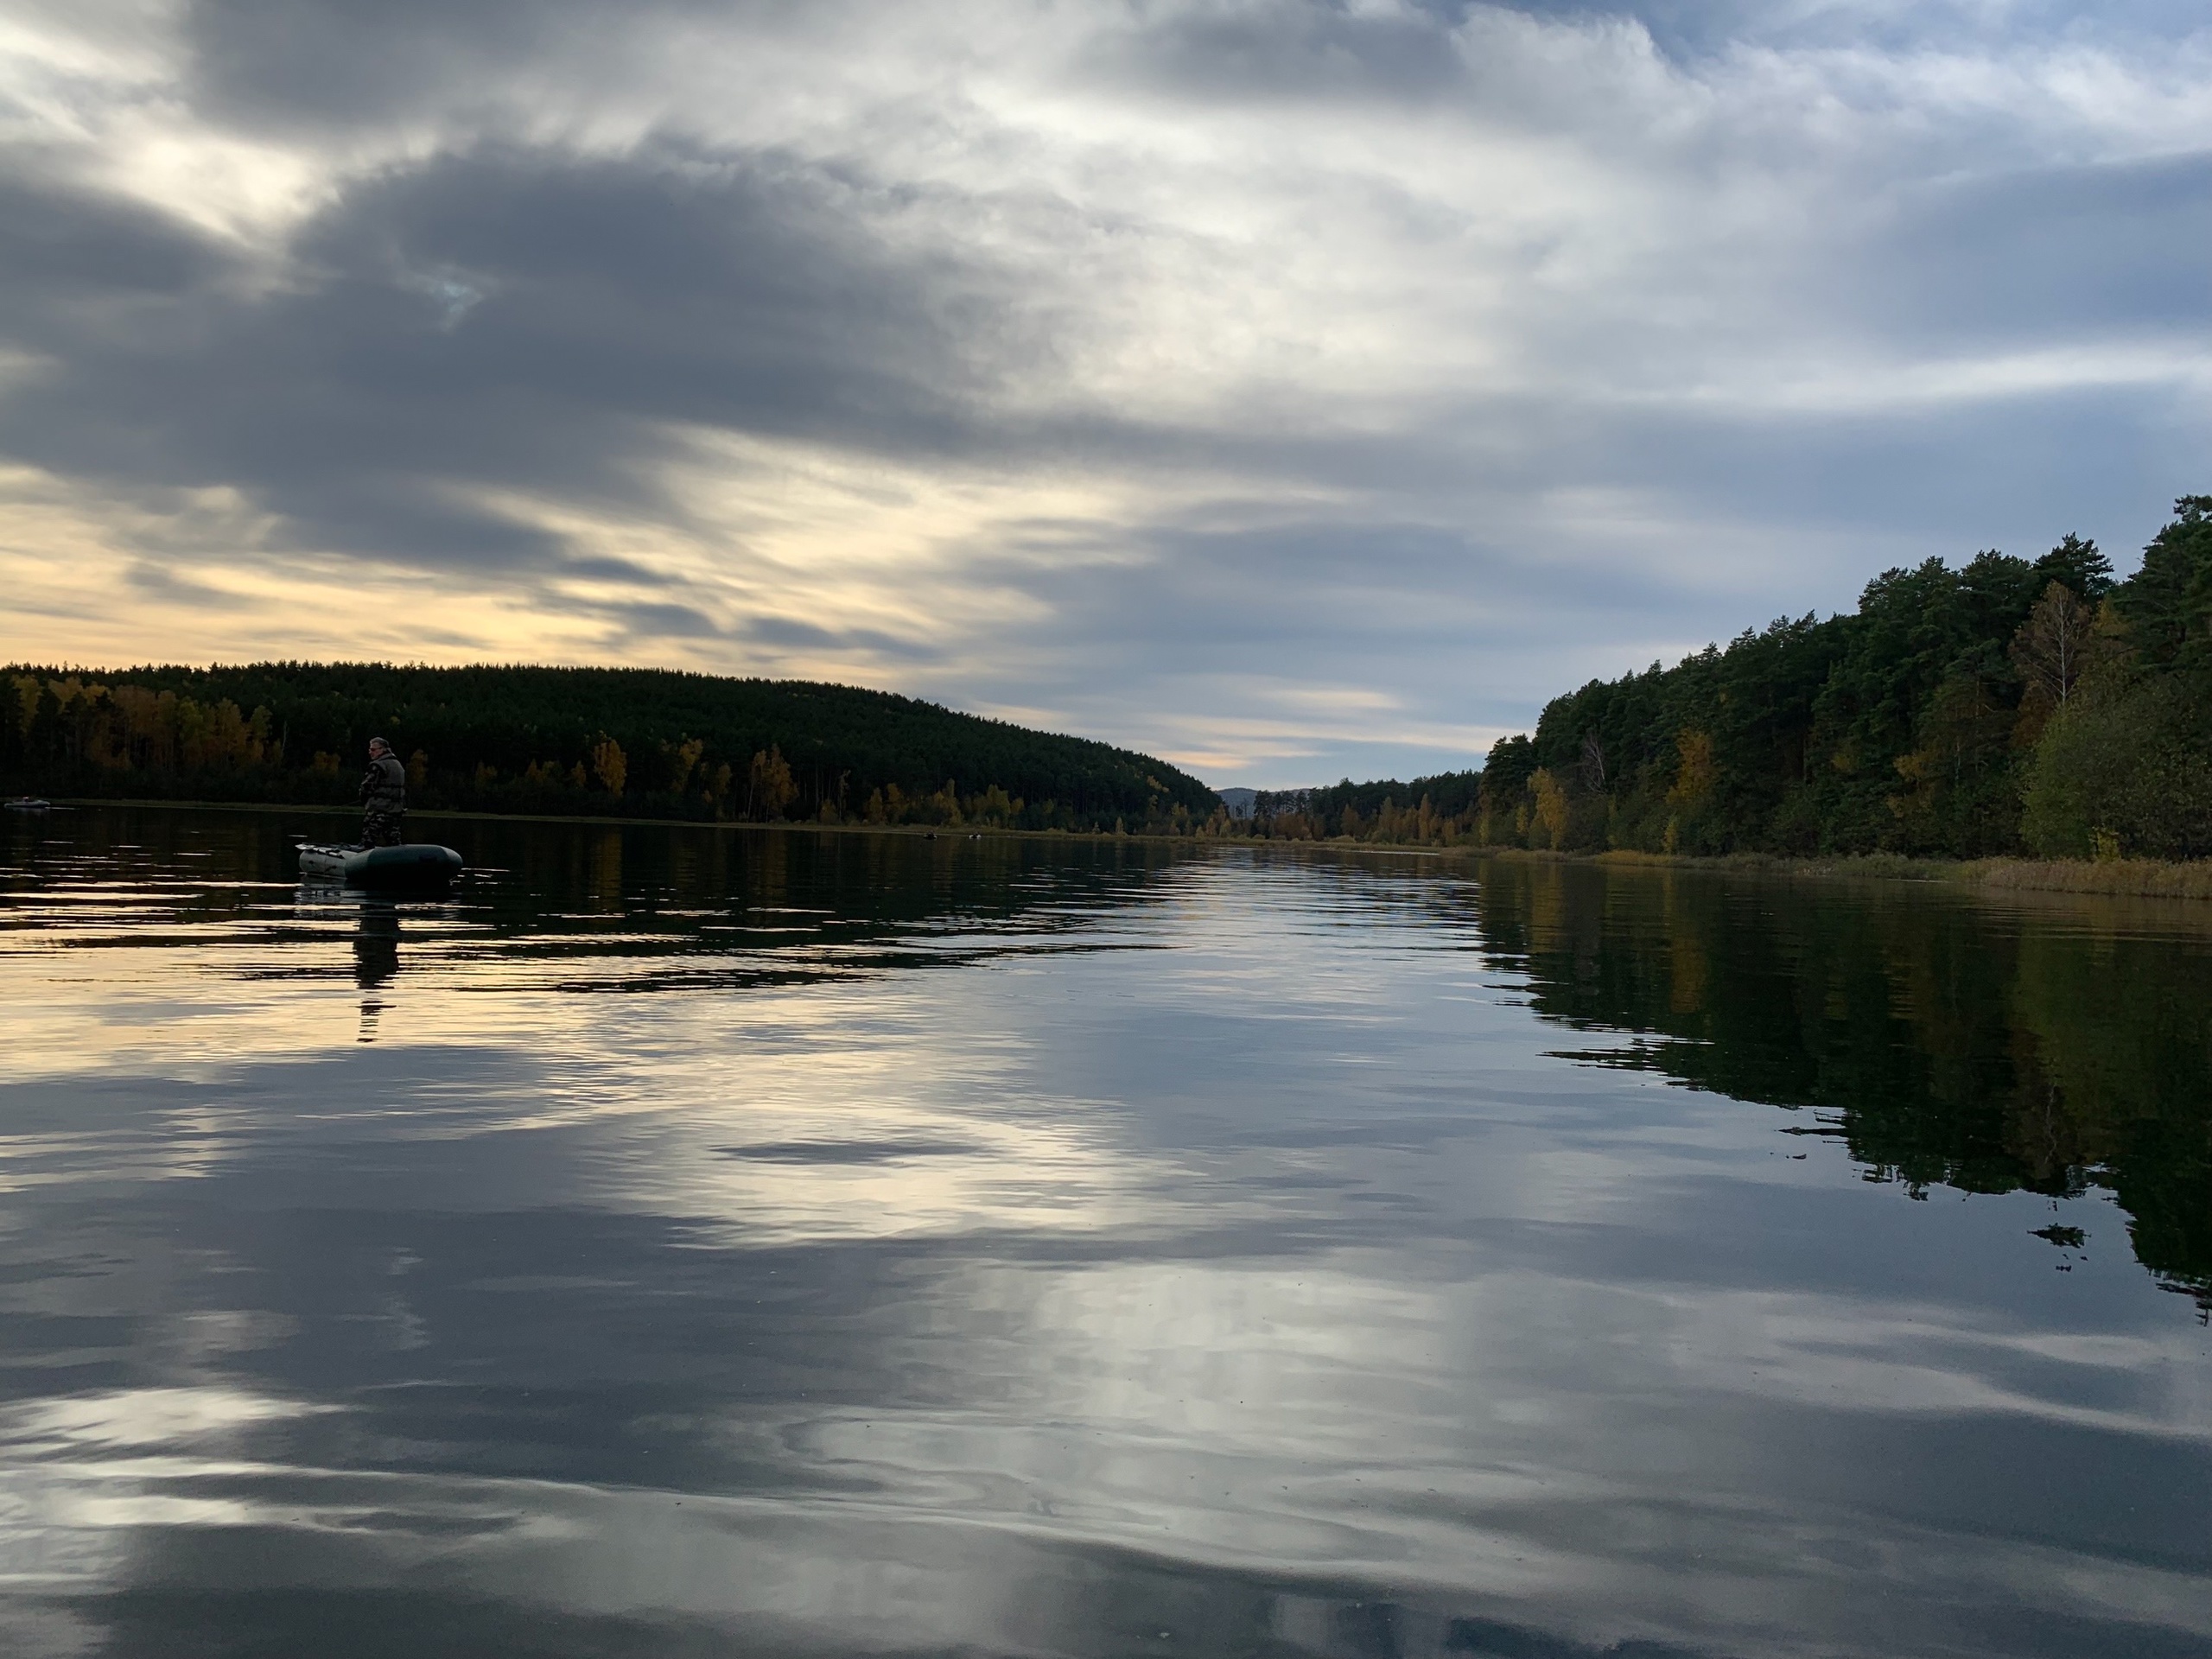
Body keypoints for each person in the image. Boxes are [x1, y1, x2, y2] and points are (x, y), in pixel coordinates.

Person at [359, 736, 407, 848]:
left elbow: (366, 787)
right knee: (394, 842)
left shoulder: (378, 765)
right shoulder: (398, 765)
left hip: (379, 811)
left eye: (373, 749)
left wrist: (365, 800)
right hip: (396, 811)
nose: (370, 752)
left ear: (383, 749)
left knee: (368, 842)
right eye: (370, 749)